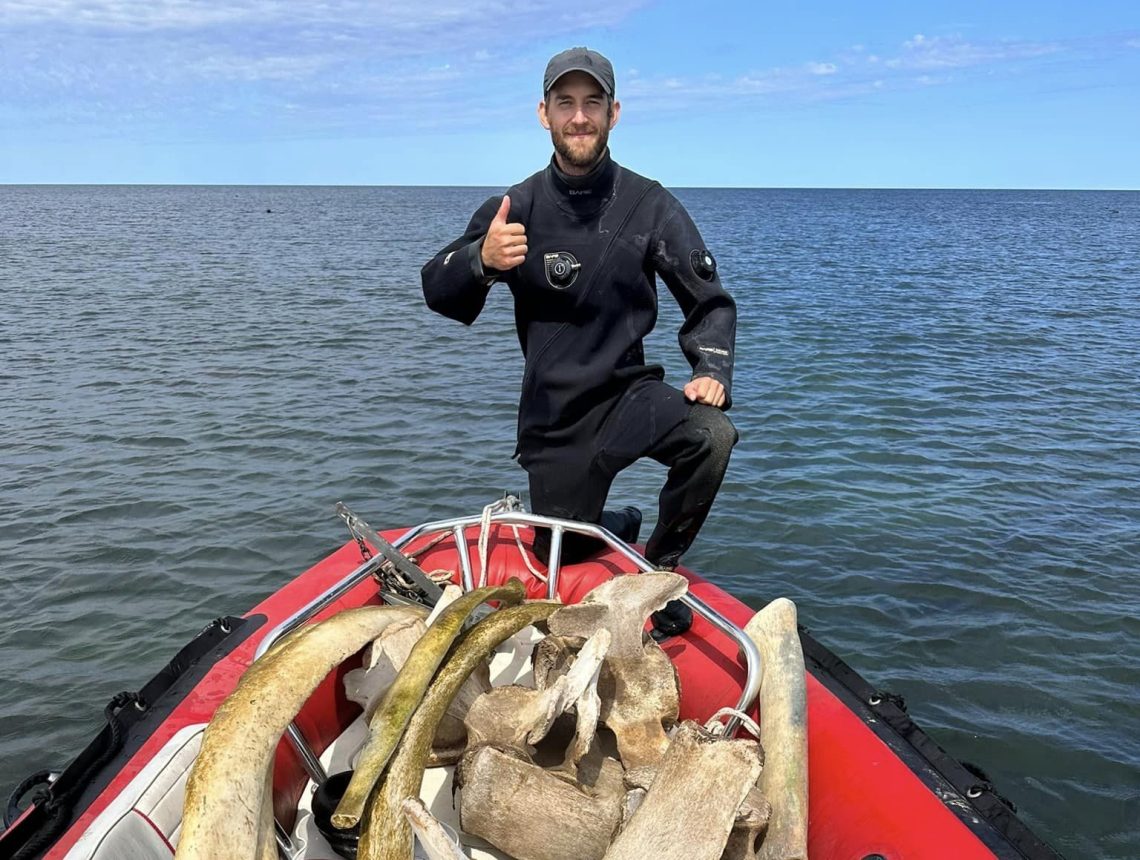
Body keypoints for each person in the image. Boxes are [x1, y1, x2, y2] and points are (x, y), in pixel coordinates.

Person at [421, 47, 737, 636]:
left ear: (614, 112)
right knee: (557, 557)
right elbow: (437, 288)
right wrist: (480, 262)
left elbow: (709, 300)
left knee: (712, 437)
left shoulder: (649, 204)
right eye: (566, 103)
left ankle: (660, 570)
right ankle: (616, 522)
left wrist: (711, 367)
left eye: (593, 103)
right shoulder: (516, 206)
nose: (580, 117)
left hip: (626, 395)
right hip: (553, 417)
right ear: (544, 114)